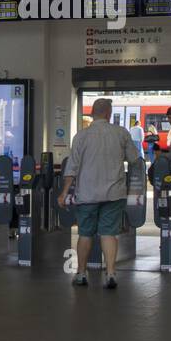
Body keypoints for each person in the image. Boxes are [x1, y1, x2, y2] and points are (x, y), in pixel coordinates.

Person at [58, 97, 140, 291]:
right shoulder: (121, 133)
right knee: (109, 233)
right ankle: (111, 273)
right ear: (108, 114)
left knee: (85, 234)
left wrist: (63, 193)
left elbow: (72, 168)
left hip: (87, 194)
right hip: (114, 193)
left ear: (92, 113)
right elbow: (135, 159)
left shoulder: (81, 136)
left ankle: (81, 274)